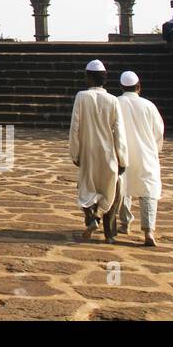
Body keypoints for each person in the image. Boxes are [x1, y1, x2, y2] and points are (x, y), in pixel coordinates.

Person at [68, 59, 128, 242]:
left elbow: (75, 127)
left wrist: (75, 153)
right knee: (111, 190)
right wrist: (123, 158)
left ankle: (92, 217)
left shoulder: (81, 97)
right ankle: (109, 234)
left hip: (88, 150)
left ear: (88, 78)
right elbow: (119, 131)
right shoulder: (112, 100)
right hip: (109, 152)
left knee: (86, 188)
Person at [115, 71, 165, 247]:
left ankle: (125, 222)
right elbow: (159, 130)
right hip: (146, 152)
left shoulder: (116, 103)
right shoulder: (148, 105)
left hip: (122, 152)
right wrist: (155, 149)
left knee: (123, 187)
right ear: (138, 87)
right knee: (148, 189)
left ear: (121, 87)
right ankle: (149, 231)